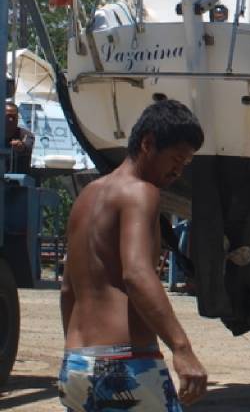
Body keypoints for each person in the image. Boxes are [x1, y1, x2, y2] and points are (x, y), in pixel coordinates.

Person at [59, 99, 208, 411]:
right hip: (125, 362)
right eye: (175, 159)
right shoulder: (140, 192)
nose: (178, 171)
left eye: (185, 164)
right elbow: (137, 274)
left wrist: (78, 356)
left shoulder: (86, 197)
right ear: (147, 143)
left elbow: (68, 289)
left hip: (76, 364)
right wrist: (182, 348)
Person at [5, 101, 34, 174]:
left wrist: (21, 146)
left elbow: (27, 145)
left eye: (14, 117)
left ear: (18, 118)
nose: (11, 120)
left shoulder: (25, 134)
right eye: (8, 116)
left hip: (18, 179)